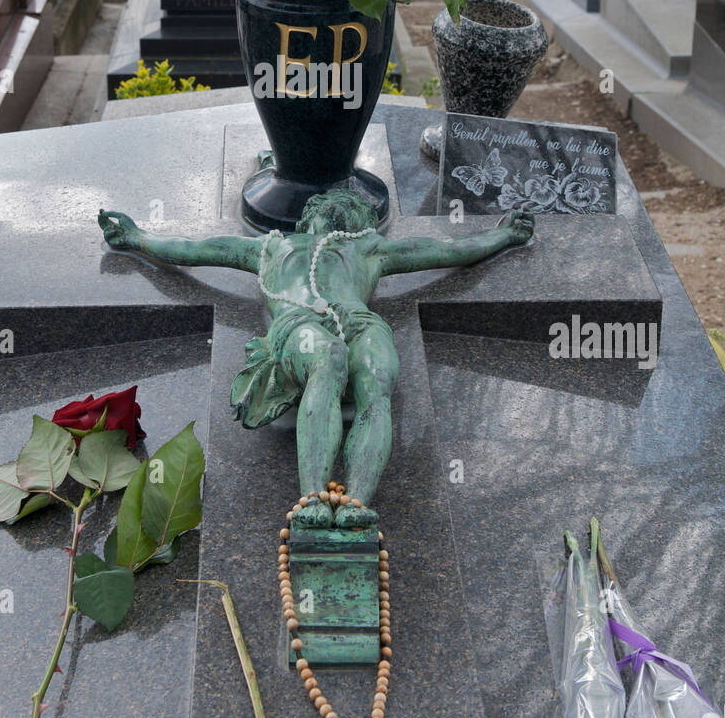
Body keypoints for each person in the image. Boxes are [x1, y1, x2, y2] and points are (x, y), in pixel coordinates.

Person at [99, 189, 534, 528]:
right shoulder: (269, 246)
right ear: (312, 214)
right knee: (327, 356)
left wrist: (503, 234)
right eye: (336, 205)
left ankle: (357, 502)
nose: (345, 209)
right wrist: (137, 237)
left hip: (359, 321)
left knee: (378, 378)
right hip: (300, 323)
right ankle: (311, 498)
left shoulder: (368, 248)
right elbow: (194, 250)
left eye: (353, 207)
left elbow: (447, 252)